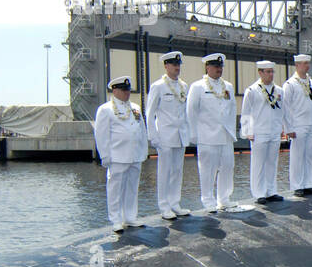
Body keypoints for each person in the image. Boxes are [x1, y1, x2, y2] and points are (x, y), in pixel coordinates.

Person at [94, 76, 148, 232]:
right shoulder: (106, 109)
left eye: (128, 90)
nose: (127, 93)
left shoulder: (135, 108)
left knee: (132, 186)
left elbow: (142, 131)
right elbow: (101, 135)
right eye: (124, 90)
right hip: (117, 155)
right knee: (115, 188)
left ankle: (130, 216)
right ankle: (116, 219)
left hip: (135, 154)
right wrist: (105, 156)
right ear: (115, 90)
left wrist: (144, 150)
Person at [187, 53, 239, 212]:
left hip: (225, 135)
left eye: (221, 67)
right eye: (216, 67)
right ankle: (208, 200)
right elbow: (191, 111)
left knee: (228, 166)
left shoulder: (228, 86)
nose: (219, 69)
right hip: (207, 135)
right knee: (207, 169)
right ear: (207, 67)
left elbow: (232, 110)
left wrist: (232, 131)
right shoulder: (198, 87)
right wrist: (194, 134)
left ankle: (224, 198)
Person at [144, 51, 191, 220]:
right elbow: (149, 113)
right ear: (166, 66)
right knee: (165, 171)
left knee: (177, 170)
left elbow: (185, 113)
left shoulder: (184, 86)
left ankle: (175, 203)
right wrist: (153, 136)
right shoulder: (158, 86)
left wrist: (189, 132)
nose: (177, 67)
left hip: (180, 135)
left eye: (178, 65)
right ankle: (164, 206)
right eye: (173, 64)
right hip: (165, 134)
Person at [241, 60, 289, 203]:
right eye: (267, 72)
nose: (270, 74)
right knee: (258, 164)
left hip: (274, 131)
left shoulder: (279, 91)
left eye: (272, 72)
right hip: (259, 132)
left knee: (272, 162)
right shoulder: (252, 90)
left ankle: (271, 190)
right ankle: (259, 193)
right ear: (260, 73)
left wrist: (283, 128)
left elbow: (283, 112)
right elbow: (246, 112)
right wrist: (247, 132)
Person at [284, 54, 312, 195]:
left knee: (308, 155)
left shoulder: (311, 83)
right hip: (298, 124)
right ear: (297, 65)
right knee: (297, 156)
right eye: (304, 63)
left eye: (308, 63)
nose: (307, 66)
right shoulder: (290, 84)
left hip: (311, 123)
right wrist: (288, 128)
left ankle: (309, 183)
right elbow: (286, 108)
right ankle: (297, 186)